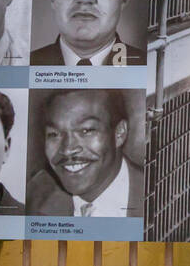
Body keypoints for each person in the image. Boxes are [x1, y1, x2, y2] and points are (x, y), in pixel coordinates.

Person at [27, 89, 144, 217]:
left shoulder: (156, 195)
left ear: (119, 133)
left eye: (86, 130)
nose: (67, 149)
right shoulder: (34, 196)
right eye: (54, 134)